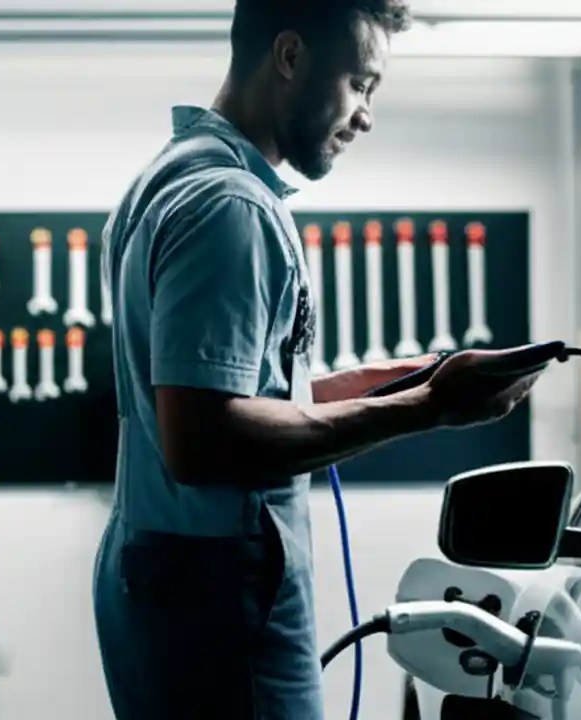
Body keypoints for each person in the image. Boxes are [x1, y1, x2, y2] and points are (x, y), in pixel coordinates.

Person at [91, 1, 539, 718]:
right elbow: (204, 440)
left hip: (177, 576)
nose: (366, 115)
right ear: (291, 57)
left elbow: (237, 395)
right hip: (218, 594)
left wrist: (403, 379)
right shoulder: (228, 207)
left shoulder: (172, 177)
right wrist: (428, 408)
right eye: (361, 82)